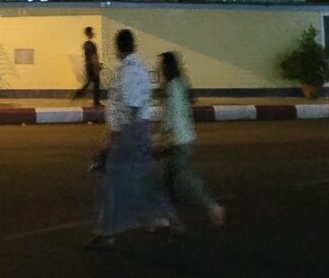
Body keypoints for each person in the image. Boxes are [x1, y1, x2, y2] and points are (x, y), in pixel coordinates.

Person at [86, 29, 167, 250]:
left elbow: (132, 105)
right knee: (142, 175)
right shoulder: (138, 68)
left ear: (119, 48)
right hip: (136, 131)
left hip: (129, 132)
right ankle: (159, 217)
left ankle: (106, 232)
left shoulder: (129, 71)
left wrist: (117, 137)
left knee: (111, 183)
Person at [157, 51, 224, 230]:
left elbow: (171, 116)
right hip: (184, 136)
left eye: (160, 64)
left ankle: (212, 206)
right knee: (169, 179)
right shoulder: (180, 83)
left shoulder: (171, 87)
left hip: (178, 139)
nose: (158, 67)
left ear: (166, 67)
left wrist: (161, 136)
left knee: (185, 177)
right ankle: (167, 216)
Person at [71, 26, 103, 107]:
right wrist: (97, 66)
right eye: (92, 32)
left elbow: (88, 56)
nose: (93, 33)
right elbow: (93, 57)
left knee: (88, 83)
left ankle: (78, 94)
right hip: (92, 67)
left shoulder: (85, 44)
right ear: (89, 33)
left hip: (88, 66)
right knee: (96, 83)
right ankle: (96, 102)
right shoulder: (92, 45)